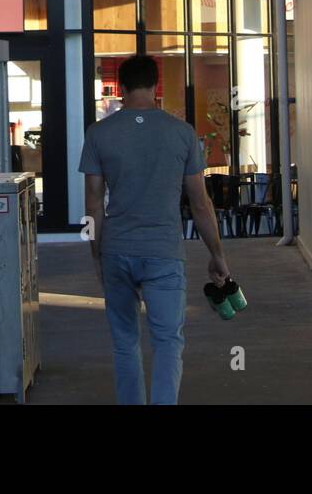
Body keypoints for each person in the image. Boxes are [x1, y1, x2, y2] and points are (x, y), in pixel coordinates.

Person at [80, 54, 230, 405]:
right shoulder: (181, 132)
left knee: (125, 343)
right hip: (164, 252)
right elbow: (200, 202)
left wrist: (97, 255)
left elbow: (92, 204)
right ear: (155, 86)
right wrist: (217, 255)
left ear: (120, 87)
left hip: (117, 249)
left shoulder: (100, 133)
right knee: (167, 342)